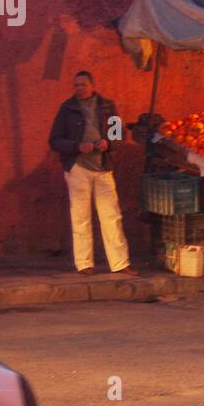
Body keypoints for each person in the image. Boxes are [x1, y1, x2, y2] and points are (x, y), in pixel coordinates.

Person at [48, 71, 137, 276]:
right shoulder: (67, 108)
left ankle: (120, 263)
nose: (80, 88)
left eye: (83, 84)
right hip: (78, 167)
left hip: (103, 167)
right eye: (76, 85)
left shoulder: (107, 106)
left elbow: (119, 135)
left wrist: (109, 143)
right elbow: (55, 140)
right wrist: (77, 146)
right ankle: (84, 263)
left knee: (111, 216)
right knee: (80, 216)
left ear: (92, 85)